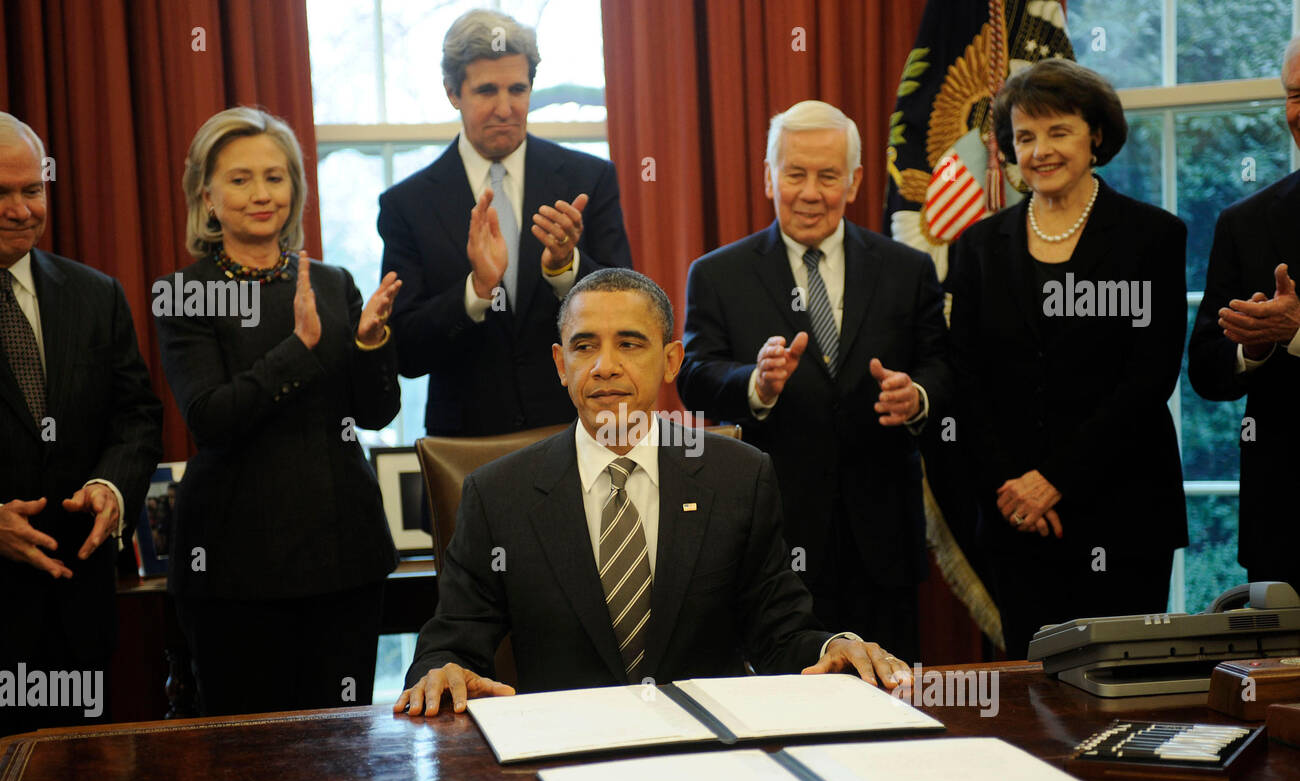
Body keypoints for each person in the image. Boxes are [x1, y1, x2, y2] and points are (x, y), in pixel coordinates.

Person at [395, 269, 912, 715]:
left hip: (709, 752)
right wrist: (442, 670)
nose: (604, 366)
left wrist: (833, 645)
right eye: (584, 346)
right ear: (560, 365)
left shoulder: (738, 476)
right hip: (562, 760)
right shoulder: (497, 494)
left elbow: (780, 634)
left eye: (629, 343)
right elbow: (453, 639)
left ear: (670, 361)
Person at [676, 101, 949, 662]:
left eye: (828, 176)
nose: (809, 192)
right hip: (774, 538)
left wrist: (916, 397)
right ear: (769, 178)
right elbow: (695, 374)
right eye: (795, 173)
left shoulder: (907, 268)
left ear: (854, 182)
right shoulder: (718, 274)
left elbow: (944, 366)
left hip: (883, 541)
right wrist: (756, 383)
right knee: (790, 702)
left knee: (892, 700)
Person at [155, 107, 402, 716]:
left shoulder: (333, 281)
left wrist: (370, 342)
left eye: (275, 177)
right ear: (207, 197)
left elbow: (375, 413)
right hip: (235, 565)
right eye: (240, 180)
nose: (261, 194)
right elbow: (210, 418)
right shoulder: (186, 293)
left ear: (295, 188)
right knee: (248, 764)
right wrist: (300, 349)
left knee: (343, 753)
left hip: (344, 557)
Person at [946, 60, 1188, 658]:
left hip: (1122, 509)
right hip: (1016, 520)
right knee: (1035, 701)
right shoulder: (976, 246)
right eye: (1025, 137)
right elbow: (967, 379)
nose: (1040, 150)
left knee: (1121, 690)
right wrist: (1014, 490)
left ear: (1095, 135)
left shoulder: (1152, 236)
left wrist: (1054, 482)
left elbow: (1148, 376)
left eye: (1058, 131)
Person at [378, 8, 633, 438]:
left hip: (576, 434)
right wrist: (476, 291)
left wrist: (565, 268)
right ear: (452, 93)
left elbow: (628, 310)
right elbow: (405, 352)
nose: (504, 108)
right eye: (486, 91)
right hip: (464, 447)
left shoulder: (589, 180)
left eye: (517, 89)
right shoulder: (407, 203)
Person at [0, 113, 163, 734]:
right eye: (1, 193)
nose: (20, 210)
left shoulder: (95, 294)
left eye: (32, 189)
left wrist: (111, 486)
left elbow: (137, 417)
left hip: (77, 614)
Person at [1188, 37, 1300, 591]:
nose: (1299, 111)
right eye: (1294, 95)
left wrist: (1298, 333)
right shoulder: (1246, 222)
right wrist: (1251, 348)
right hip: (1285, 528)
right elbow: (1206, 369)